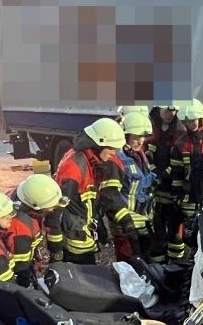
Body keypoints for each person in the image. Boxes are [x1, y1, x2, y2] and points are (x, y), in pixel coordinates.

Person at [54, 118, 140, 264]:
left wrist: (121, 222)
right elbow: (59, 210)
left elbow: (103, 197)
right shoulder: (74, 167)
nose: (114, 153)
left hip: (83, 228)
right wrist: (56, 246)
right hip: (75, 236)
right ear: (98, 143)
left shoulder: (92, 160)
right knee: (81, 272)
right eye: (111, 148)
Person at [6, 174, 68, 287]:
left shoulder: (24, 196)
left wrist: (56, 251)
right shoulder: (20, 227)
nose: (53, 209)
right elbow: (21, 265)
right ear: (35, 206)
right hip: (19, 267)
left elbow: (52, 222)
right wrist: (26, 285)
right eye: (50, 206)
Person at [147, 103, 189, 262]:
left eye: (174, 110)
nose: (171, 113)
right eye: (168, 110)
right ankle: (157, 263)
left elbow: (180, 157)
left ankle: (175, 265)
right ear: (158, 109)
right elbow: (146, 151)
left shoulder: (180, 130)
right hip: (155, 185)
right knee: (157, 225)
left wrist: (167, 172)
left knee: (175, 227)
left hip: (173, 185)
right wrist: (154, 170)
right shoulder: (151, 127)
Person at [171, 99, 203, 247]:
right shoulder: (180, 143)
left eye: (193, 120)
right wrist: (177, 195)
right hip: (189, 194)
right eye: (187, 121)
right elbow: (177, 173)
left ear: (201, 117)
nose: (190, 124)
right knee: (190, 231)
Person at [115, 111, 155, 262]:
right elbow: (113, 196)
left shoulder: (140, 155)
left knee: (144, 259)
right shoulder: (120, 159)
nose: (140, 142)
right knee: (130, 263)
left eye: (142, 138)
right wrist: (124, 222)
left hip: (143, 220)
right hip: (128, 223)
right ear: (126, 136)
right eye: (136, 138)